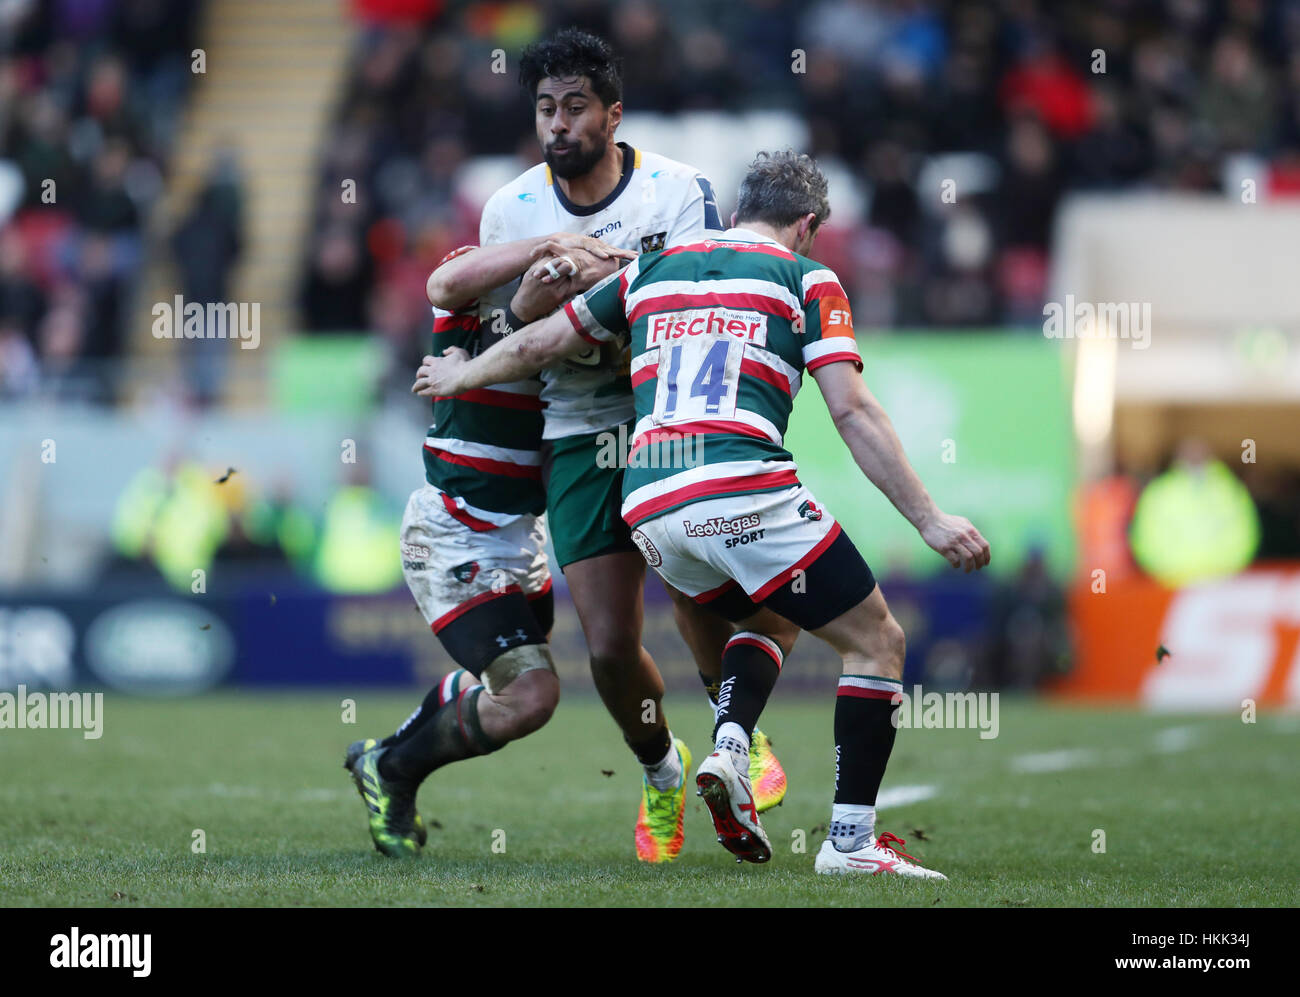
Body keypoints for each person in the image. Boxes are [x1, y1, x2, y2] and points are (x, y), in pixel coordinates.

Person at [415, 150, 991, 877]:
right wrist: (929, 519)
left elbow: (542, 340)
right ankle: (849, 842)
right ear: (807, 226)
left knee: (771, 620)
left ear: (740, 209)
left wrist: (461, 372)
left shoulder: (655, 267)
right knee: (876, 641)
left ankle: (729, 747)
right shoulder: (808, 277)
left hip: (650, 505)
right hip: (742, 487)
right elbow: (852, 410)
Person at [468, 28, 793, 863]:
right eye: (546, 107)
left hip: (667, 419)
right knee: (609, 644)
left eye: (575, 106)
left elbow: (702, 298)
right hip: (577, 427)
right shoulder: (510, 211)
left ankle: (737, 732)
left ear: (613, 115)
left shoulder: (677, 191)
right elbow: (498, 334)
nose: (558, 123)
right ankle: (660, 770)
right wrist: (528, 306)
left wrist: (598, 293)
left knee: (698, 595)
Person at [344, 234, 629, 856]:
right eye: (554, 265)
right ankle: (392, 770)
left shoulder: (572, 326)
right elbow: (442, 284)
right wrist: (546, 247)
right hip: (455, 530)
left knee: (509, 672)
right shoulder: (478, 289)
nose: (560, 275)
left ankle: (385, 756)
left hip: (521, 535)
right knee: (529, 696)